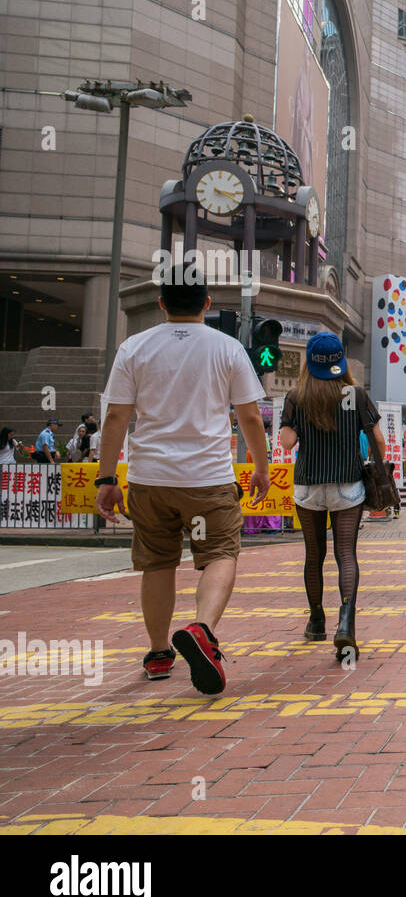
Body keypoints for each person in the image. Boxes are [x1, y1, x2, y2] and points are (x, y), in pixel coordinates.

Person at [95, 271, 269, 694]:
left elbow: (116, 416)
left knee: (157, 562)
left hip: (150, 479)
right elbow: (248, 415)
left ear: (161, 303)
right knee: (220, 552)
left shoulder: (134, 347)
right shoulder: (227, 348)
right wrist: (261, 468)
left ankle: (158, 653)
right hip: (207, 479)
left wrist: (106, 478)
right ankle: (203, 631)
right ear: (207, 303)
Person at [278, 333, 380, 659]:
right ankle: (346, 623)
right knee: (345, 554)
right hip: (348, 486)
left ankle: (316, 620)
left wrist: (295, 423)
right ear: (341, 362)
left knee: (314, 555)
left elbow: (286, 443)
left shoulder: (296, 396)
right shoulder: (355, 394)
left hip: (308, 486)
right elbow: (377, 438)